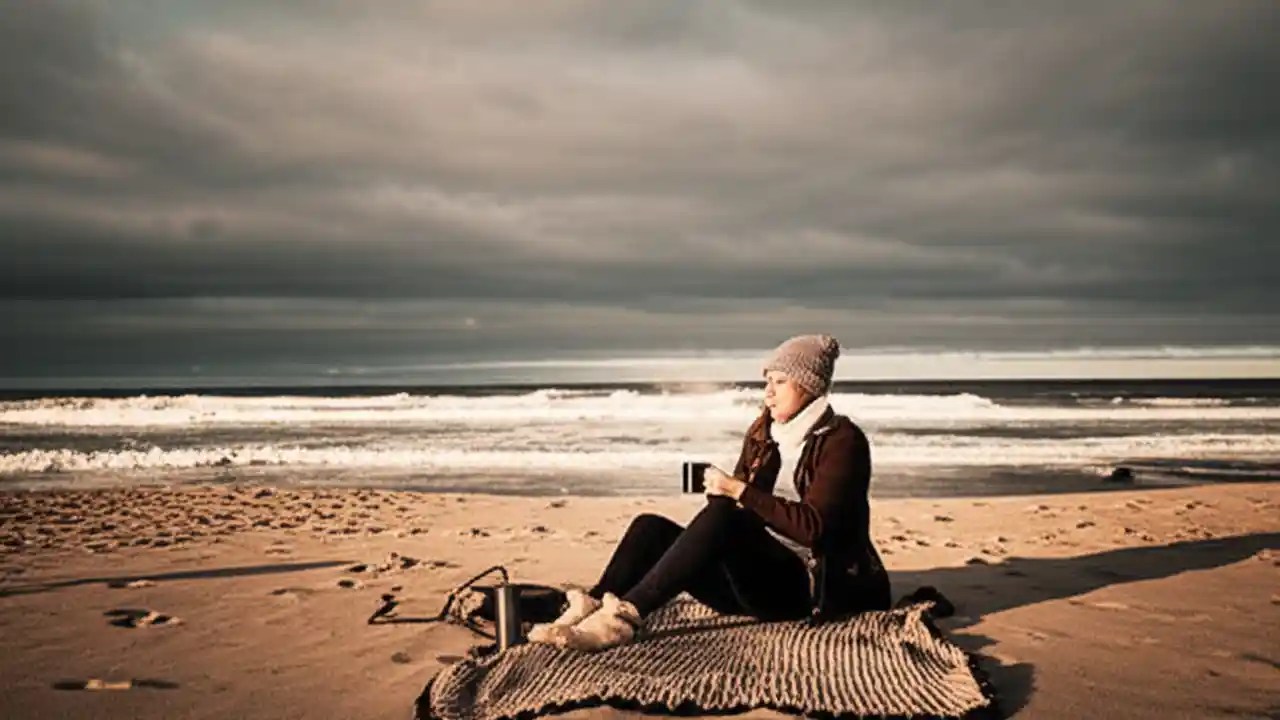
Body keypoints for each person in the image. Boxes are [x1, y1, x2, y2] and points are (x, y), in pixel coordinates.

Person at [527, 334, 892, 652]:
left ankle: (622, 621)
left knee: (725, 516)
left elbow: (814, 529)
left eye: (780, 382)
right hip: (752, 582)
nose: (768, 392)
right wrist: (723, 491)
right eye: (767, 381)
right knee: (649, 527)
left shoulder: (843, 441)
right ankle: (590, 606)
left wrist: (738, 491)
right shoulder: (765, 433)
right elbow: (738, 512)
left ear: (809, 386)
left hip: (812, 590)